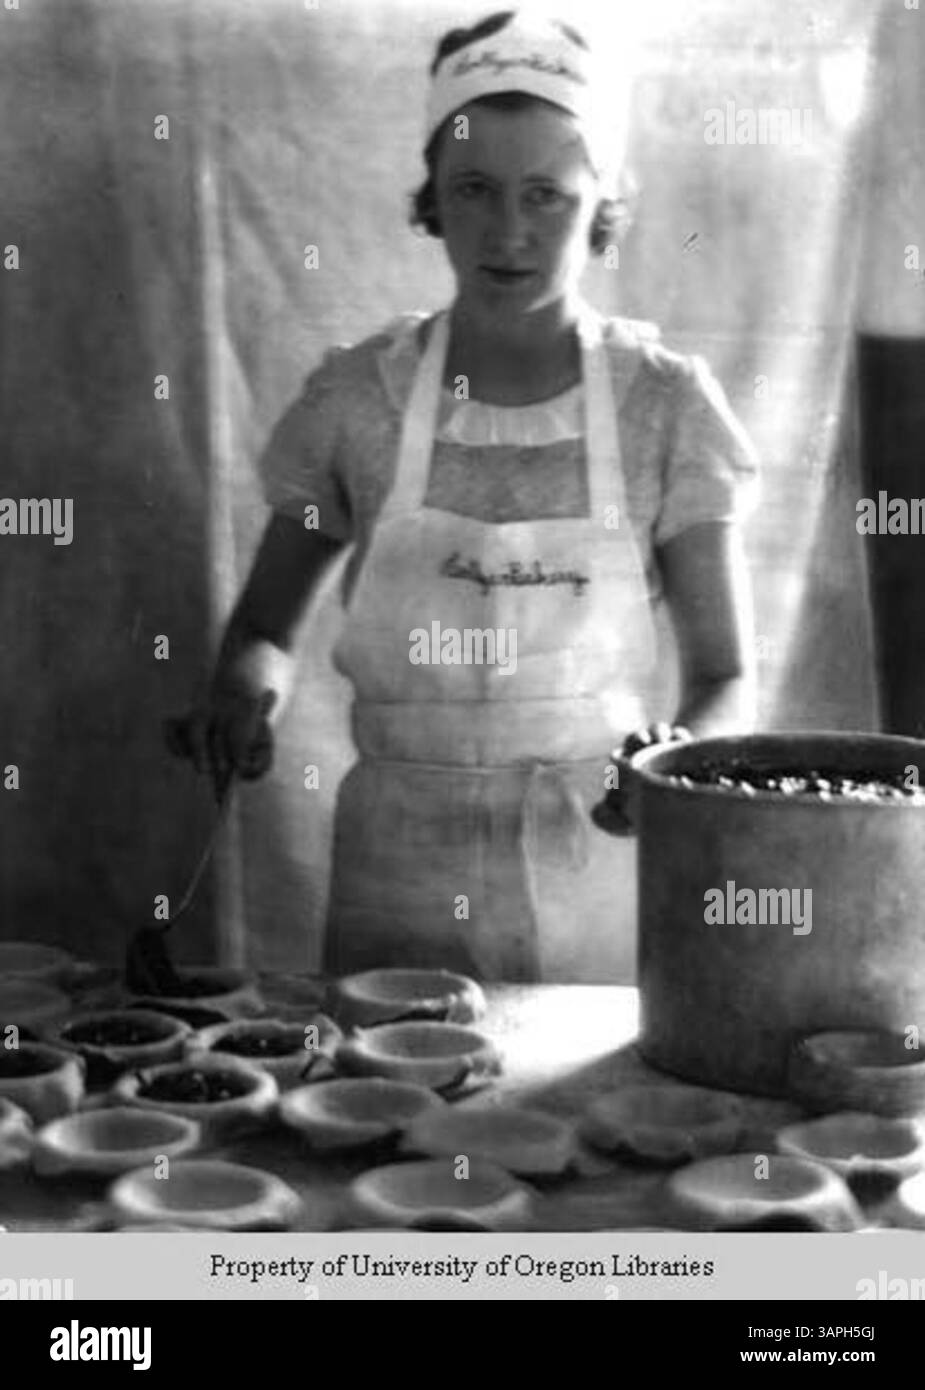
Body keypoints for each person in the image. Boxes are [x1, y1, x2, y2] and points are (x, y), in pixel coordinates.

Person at [171, 9, 758, 983]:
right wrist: (241, 695)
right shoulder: (358, 400)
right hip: (396, 870)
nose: (509, 232)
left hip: (599, 861)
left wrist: (676, 760)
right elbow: (264, 630)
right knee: (391, 1074)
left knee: (588, 1083)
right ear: (433, 196)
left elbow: (726, 672)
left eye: (547, 195)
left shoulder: (664, 410)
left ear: (603, 200)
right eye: (475, 189)